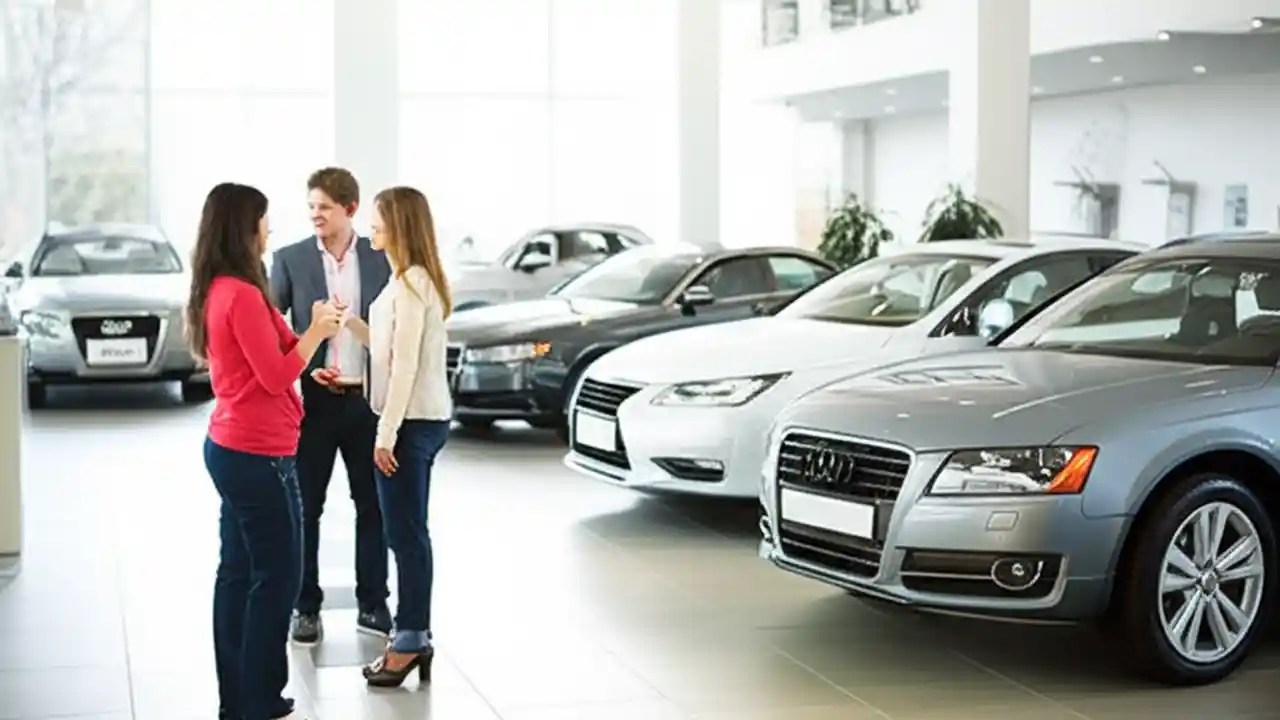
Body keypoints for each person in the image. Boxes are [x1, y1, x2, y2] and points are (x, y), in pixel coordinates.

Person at [187, 182, 344, 720]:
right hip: (258, 456)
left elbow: (272, 358)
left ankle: (241, 697)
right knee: (277, 577)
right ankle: (255, 698)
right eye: (264, 220)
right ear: (243, 228)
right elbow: (277, 375)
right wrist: (318, 331)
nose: (270, 229)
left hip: (235, 447)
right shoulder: (243, 294)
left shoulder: (222, 288)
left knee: (238, 573)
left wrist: (307, 358)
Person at [313, 186, 452, 687]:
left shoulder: (413, 285)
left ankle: (410, 639)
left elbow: (407, 368)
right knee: (406, 533)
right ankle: (414, 635)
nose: (370, 227)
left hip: (410, 425)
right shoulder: (406, 281)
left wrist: (385, 435)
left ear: (399, 226)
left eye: (377, 221)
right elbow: (389, 352)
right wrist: (349, 323)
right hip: (411, 419)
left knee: (406, 536)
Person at [270, 168, 393, 644]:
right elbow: (273, 333)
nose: (315, 215)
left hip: (368, 401)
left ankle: (374, 603)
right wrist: (304, 363)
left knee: (373, 506)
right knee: (306, 507)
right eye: (311, 207)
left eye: (324, 206)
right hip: (314, 404)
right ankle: (305, 605)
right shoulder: (289, 260)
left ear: (350, 209)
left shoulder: (380, 258)